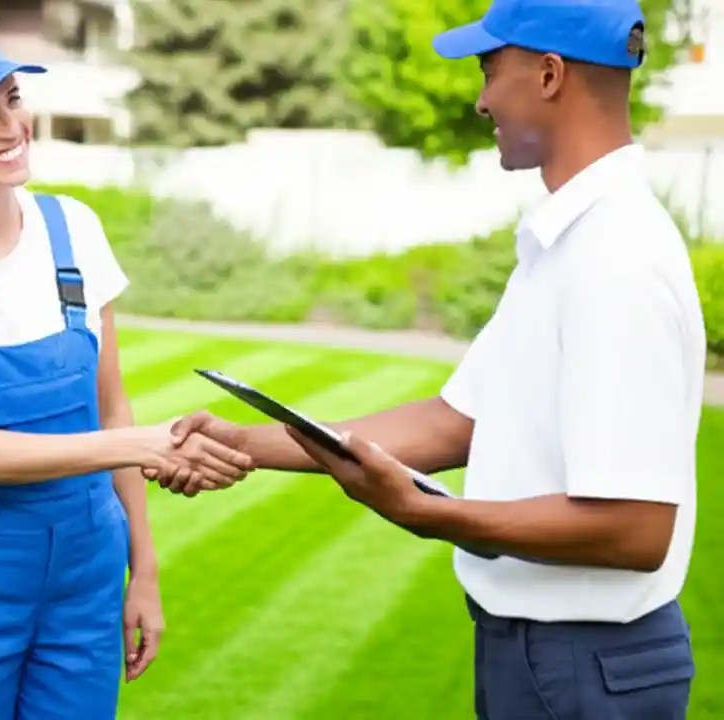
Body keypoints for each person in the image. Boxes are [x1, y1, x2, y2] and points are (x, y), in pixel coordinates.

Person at [154, 0, 704, 717]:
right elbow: (456, 421)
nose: (480, 100)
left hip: (587, 666)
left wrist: (434, 515)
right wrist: (250, 444)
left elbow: (636, 529)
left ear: (548, 74)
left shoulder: (617, 258)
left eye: (488, 69)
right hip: (546, 655)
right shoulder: (568, 243)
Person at [0, 20, 254, 719]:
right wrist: (141, 448)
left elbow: (113, 409)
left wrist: (146, 573)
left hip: (87, 564)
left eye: (12, 99)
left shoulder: (73, 227)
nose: (11, 125)